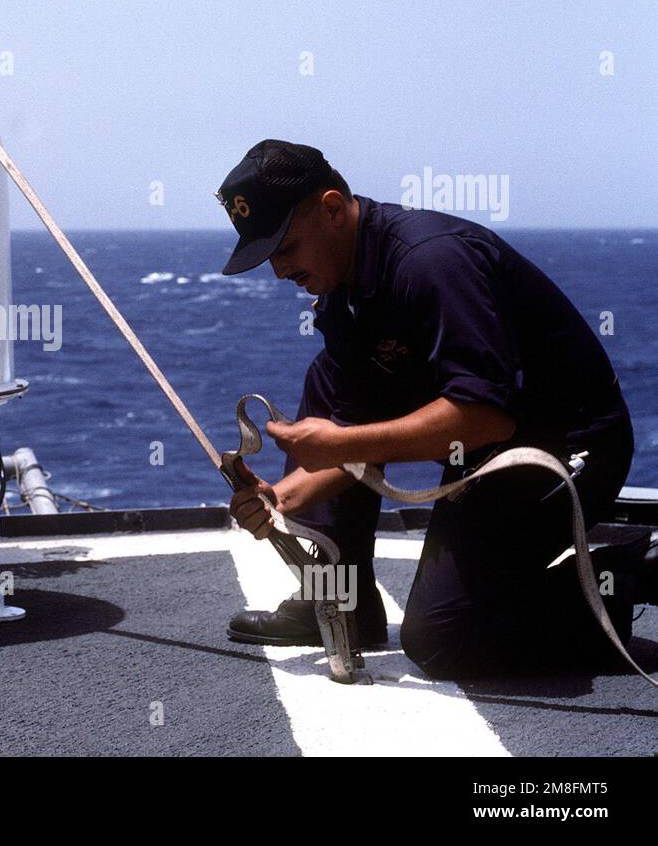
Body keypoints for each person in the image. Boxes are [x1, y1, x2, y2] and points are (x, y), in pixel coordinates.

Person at [217, 139, 656, 679]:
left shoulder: (432, 260)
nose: (279, 272)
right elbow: (353, 431)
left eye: (285, 248)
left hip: (566, 445)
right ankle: (341, 602)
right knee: (329, 383)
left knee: (445, 638)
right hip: (483, 447)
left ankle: (626, 580)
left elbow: (482, 416)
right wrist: (276, 499)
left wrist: (340, 444)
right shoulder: (343, 289)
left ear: (332, 208)